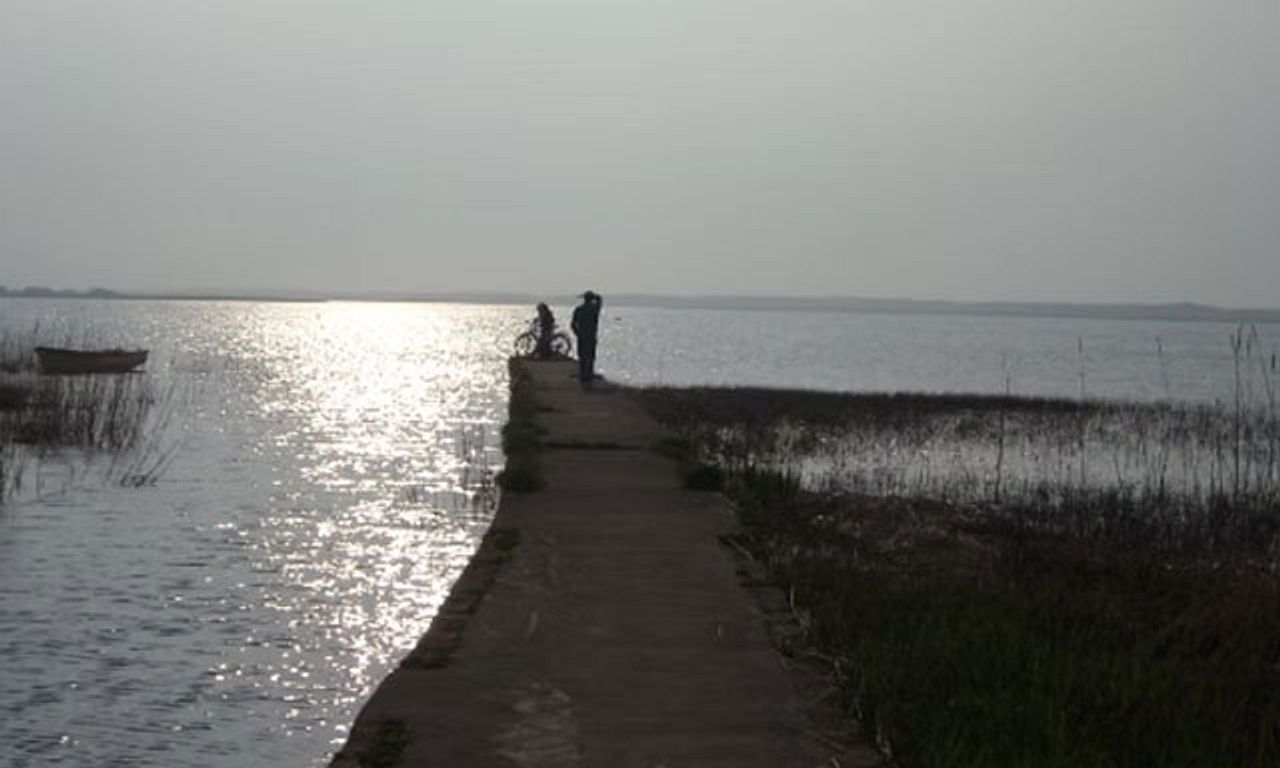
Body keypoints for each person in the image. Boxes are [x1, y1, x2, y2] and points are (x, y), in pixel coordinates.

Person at [570, 291, 602, 385]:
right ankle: (589, 374)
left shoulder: (579, 309)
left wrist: (577, 333)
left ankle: (583, 374)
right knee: (591, 356)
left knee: (582, 356)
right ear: (591, 300)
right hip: (591, 336)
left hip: (582, 336)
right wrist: (596, 297)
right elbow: (600, 301)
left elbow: (572, 324)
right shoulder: (594, 309)